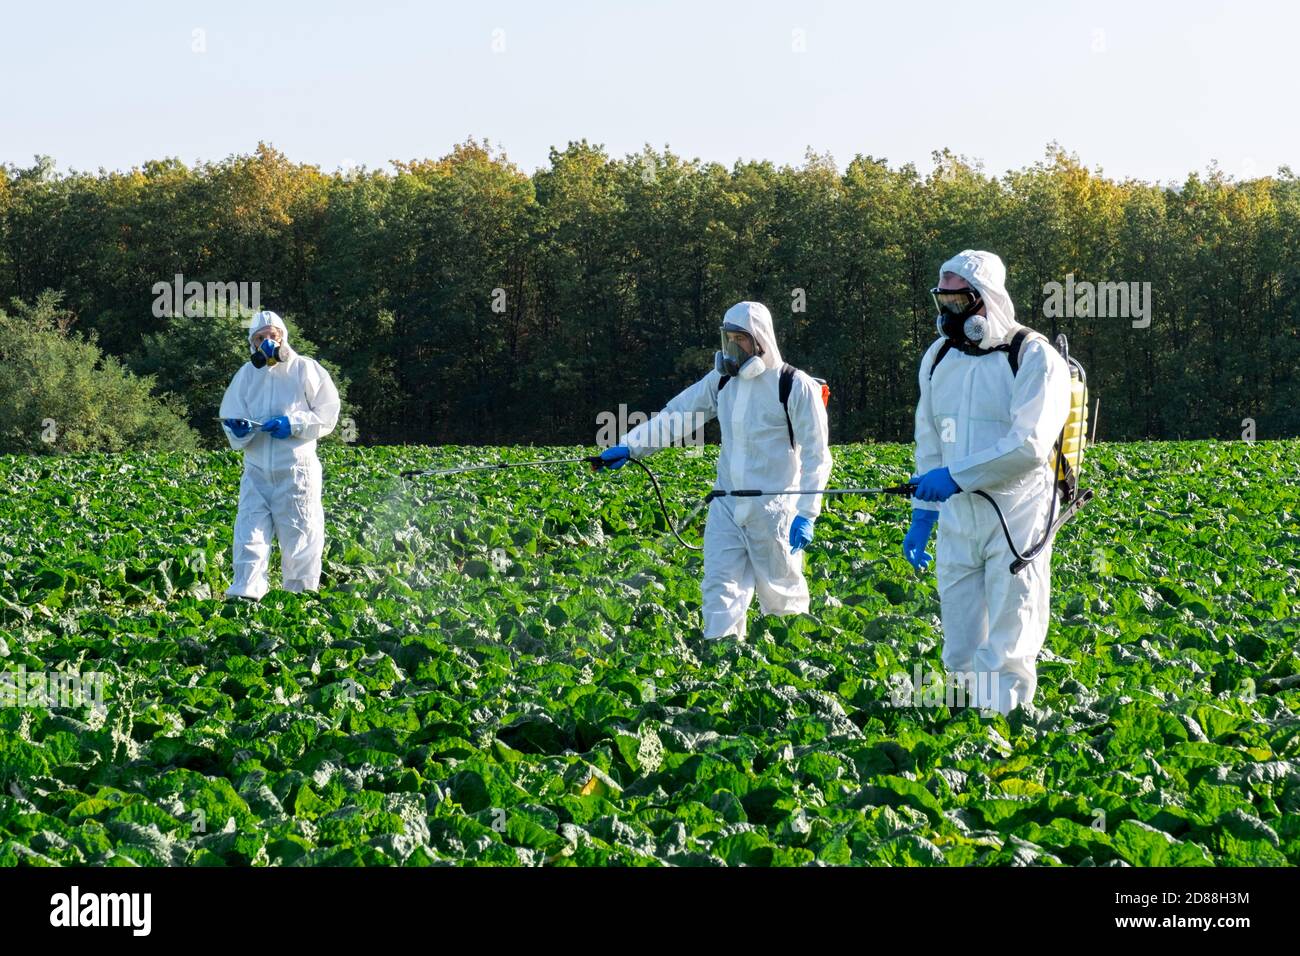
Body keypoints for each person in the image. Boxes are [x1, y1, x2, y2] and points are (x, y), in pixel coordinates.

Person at [597, 301, 832, 641]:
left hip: (775, 510)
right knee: (720, 591)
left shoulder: (794, 386)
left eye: (741, 339)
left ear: (761, 340)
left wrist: (807, 513)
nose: (733, 348)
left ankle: (793, 667)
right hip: (726, 505)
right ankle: (723, 662)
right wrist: (631, 445)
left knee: (783, 598)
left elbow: (816, 455)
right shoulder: (722, 382)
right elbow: (678, 416)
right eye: (728, 339)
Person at [905, 250, 1071, 714]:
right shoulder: (938, 358)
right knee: (959, 642)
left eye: (959, 303)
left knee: (1008, 641)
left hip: (1017, 516)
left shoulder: (1033, 356)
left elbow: (1029, 445)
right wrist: (924, 513)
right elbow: (930, 436)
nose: (949, 314)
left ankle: (1004, 735)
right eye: (944, 302)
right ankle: (963, 729)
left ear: (986, 301)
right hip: (959, 518)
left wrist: (956, 476)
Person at [219, 311, 340, 599]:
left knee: (301, 537)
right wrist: (239, 428)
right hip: (257, 471)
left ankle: (299, 599)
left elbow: (327, 413)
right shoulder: (247, 375)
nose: (266, 342)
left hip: (296, 471)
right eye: (259, 338)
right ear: (252, 344)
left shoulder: (305, 369)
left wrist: (294, 424)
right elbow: (230, 413)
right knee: (249, 535)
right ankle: (245, 596)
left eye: (272, 336)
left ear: (282, 336)